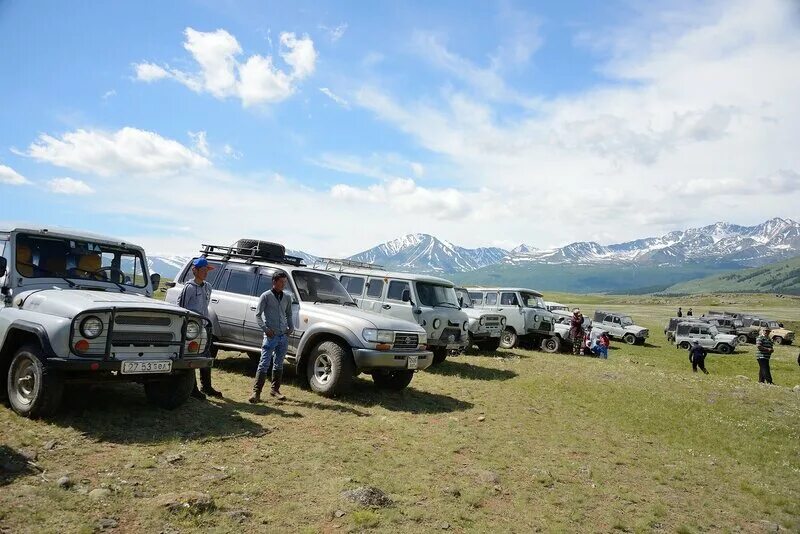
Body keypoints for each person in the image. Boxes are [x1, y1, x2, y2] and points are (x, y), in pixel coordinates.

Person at [177, 257, 222, 399]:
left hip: (204, 325)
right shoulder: (189, 288)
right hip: (192, 328)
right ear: (194, 271)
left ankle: (206, 387)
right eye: (203, 270)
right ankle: (192, 388)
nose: (205, 273)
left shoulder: (208, 287)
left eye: (206, 270)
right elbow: (182, 308)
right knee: (191, 357)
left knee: (206, 356)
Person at [249, 272, 294, 403]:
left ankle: (275, 389)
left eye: (285, 282)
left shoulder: (287, 297)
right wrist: (265, 329)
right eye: (281, 282)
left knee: (279, 363)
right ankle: (256, 392)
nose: (283, 285)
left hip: (283, 336)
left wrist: (290, 327)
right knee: (264, 363)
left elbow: (289, 314)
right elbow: (258, 315)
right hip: (271, 336)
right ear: (274, 281)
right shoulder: (266, 296)